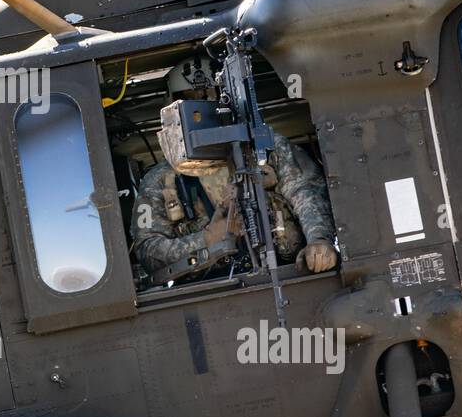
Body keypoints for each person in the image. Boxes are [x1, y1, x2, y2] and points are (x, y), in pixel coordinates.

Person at [131, 57, 337, 283]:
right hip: (209, 290)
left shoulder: (265, 147)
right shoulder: (161, 180)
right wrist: (207, 240)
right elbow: (147, 251)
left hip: (284, 273)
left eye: (210, 97)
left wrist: (318, 240)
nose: (200, 108)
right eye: (190, 102)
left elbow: (306, 192)